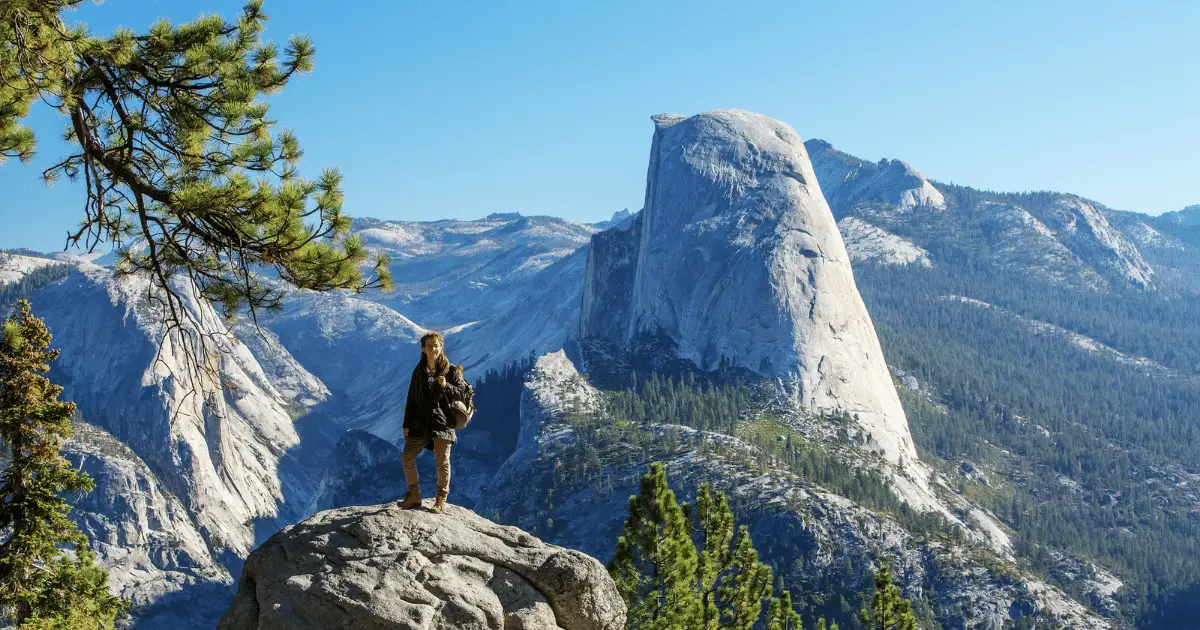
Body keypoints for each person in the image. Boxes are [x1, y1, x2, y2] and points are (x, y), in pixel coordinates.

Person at [398, 332, 470, 514]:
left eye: (436, 345)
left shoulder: (451, 371)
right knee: (407, 456)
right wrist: (406, 425)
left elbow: (464, 394)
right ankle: (414, 495)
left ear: (441, 347)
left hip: (442, 423)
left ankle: (440, 499)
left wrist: (447, 386)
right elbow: (411, 399)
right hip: (420, 423)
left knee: (442, 462)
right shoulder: (419, 371)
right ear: (423, 348)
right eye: (429, 346)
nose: (433, 349)